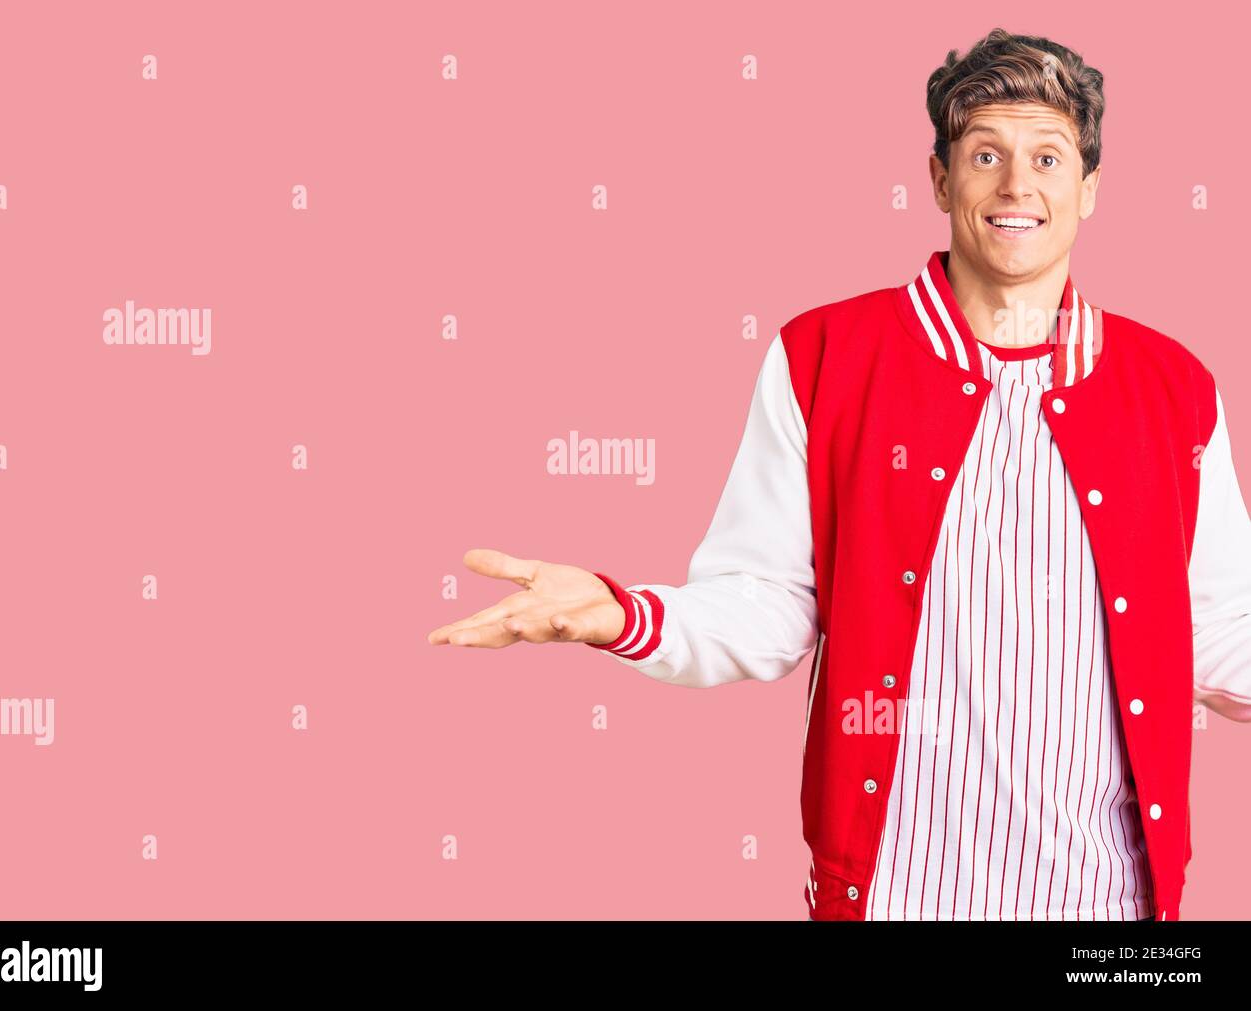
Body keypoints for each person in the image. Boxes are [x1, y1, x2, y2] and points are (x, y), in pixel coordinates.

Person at [427, 28, 1251, 921]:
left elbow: (1212, 630)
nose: (1018, 185)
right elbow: (772, 603)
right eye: (986, 154)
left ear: (1087, 188)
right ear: (940, 179)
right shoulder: (825, 357)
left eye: (1048, 157)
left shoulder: (1174, 389)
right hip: (896, 898)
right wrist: (628, 614)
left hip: (1115, 918)